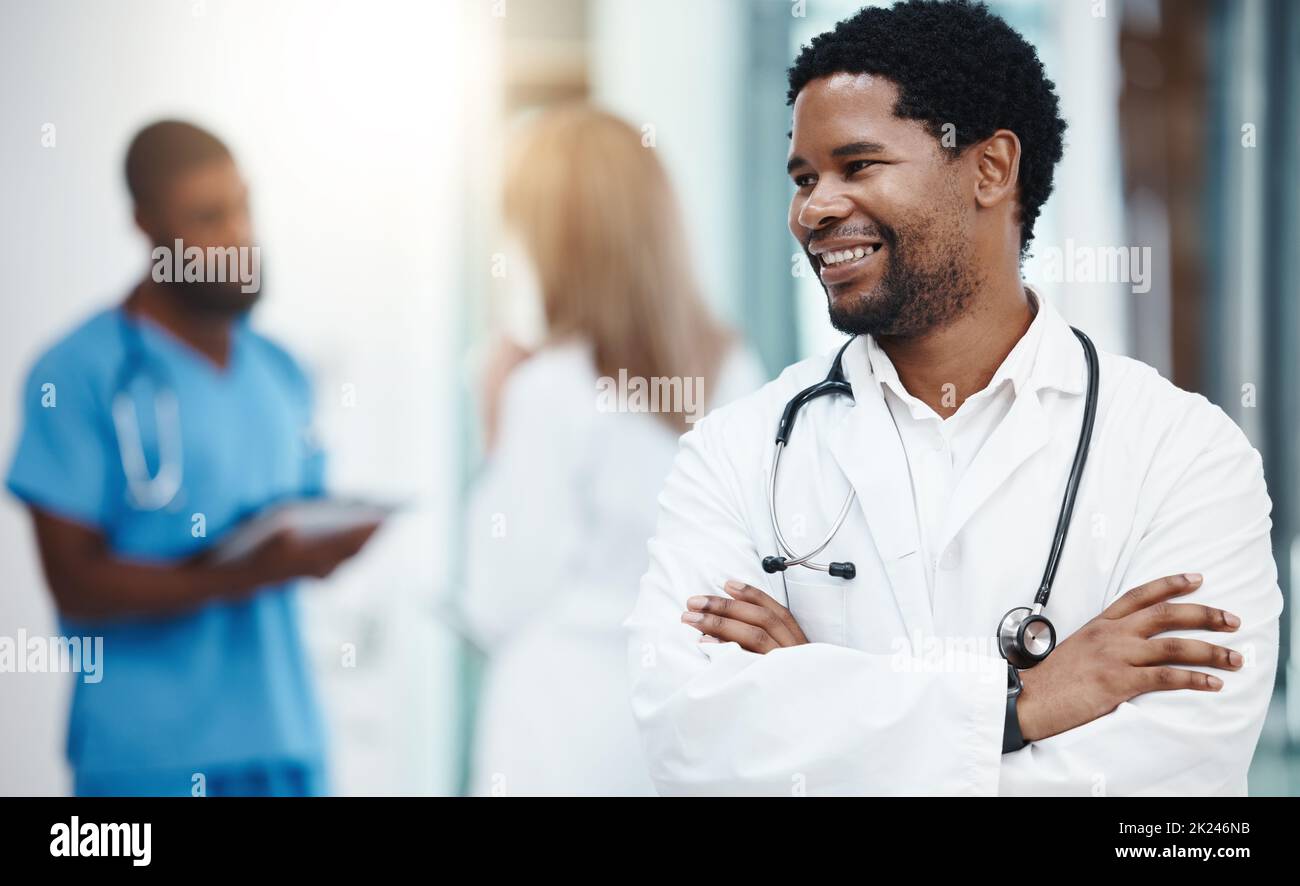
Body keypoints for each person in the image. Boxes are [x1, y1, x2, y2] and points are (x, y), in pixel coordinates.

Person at [625, 0, 1282, 796]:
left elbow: (1168, 790)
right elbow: (691, 741)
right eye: (804, 178)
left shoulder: (1184, 456)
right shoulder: (735, 454)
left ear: (991, 169)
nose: (815, 208)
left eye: (857, 165)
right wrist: (1023, 705)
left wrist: (820, 704)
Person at [6, 120, 377, 796]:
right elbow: (76, 583)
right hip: (148, 761)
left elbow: (302, 523)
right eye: (208, 217)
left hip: (285, 746)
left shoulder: (281, 372)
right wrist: (242, 574)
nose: (238, 235)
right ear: (147, 227)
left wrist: (330, 542)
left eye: (242, 206)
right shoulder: (80, 374)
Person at [463, 106, 764, 796]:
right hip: (684, 728)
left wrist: (494, 424)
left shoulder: (543, 389)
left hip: (555, 731)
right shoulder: (735, 368)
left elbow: (496, 600)